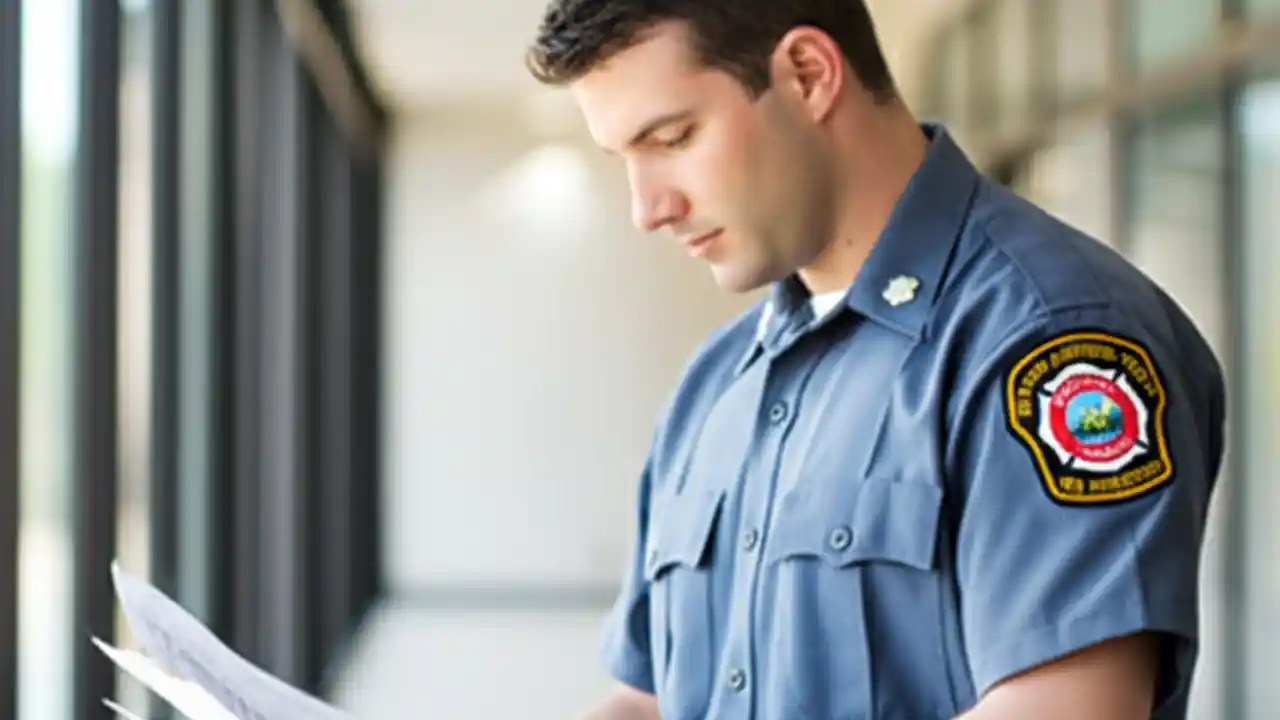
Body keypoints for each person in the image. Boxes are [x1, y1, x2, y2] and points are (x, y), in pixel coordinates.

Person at [524, 1, 1225, 718]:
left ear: (808, 74)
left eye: (672, 138)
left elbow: (1065, 711)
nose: (648, 208)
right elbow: (647, 699)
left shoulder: (1050, 338)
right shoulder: (717, 383)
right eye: (624, 161)